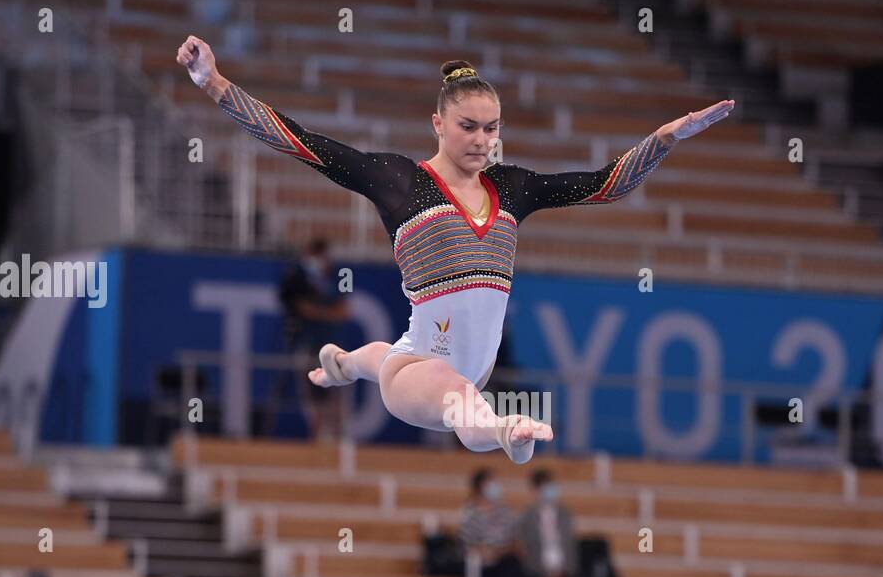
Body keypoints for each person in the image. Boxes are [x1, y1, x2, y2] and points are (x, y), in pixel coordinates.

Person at [177, 37, 735, 464]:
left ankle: (342, 364)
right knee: (455, 396)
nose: (481, 140)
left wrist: (665, 140)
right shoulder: (398, 180)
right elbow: (299, 141)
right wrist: (214, 82)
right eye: (468, 126)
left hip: (440, 356)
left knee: (385, 355)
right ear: (437, 123)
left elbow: (606, 183)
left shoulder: (512, 188)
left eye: (491, 129)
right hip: (426, 376)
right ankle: (504, 433)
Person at [279, 238, 349, 441]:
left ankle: (339, 436)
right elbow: (301, 308)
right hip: (307, 342)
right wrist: (328, 312)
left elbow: (345, 310)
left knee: (336, 390)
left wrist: (319, 312)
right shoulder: (297, 277)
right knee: (312, 389)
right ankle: (316, 434)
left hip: (332, 342)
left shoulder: (343, 275)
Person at [458, 469, 539, 577]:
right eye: (491, 483)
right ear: (481, 486)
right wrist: (484, 551)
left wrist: (499, 551)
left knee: (516, 567)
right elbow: (467, 544)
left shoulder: (504, 512)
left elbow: (514, 540)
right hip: (481, 564)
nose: (496, 486)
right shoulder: (469, 513)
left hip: (503, 560)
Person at [516, 469, 581, 577]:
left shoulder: (564, 514)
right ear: (536, 490)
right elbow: (527, 549)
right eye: (546, 486)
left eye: (551, 486)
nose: (551, 490)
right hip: (538, 572)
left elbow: (568, 546)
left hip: (565, 571)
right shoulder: (527, 516)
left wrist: (563, 571)